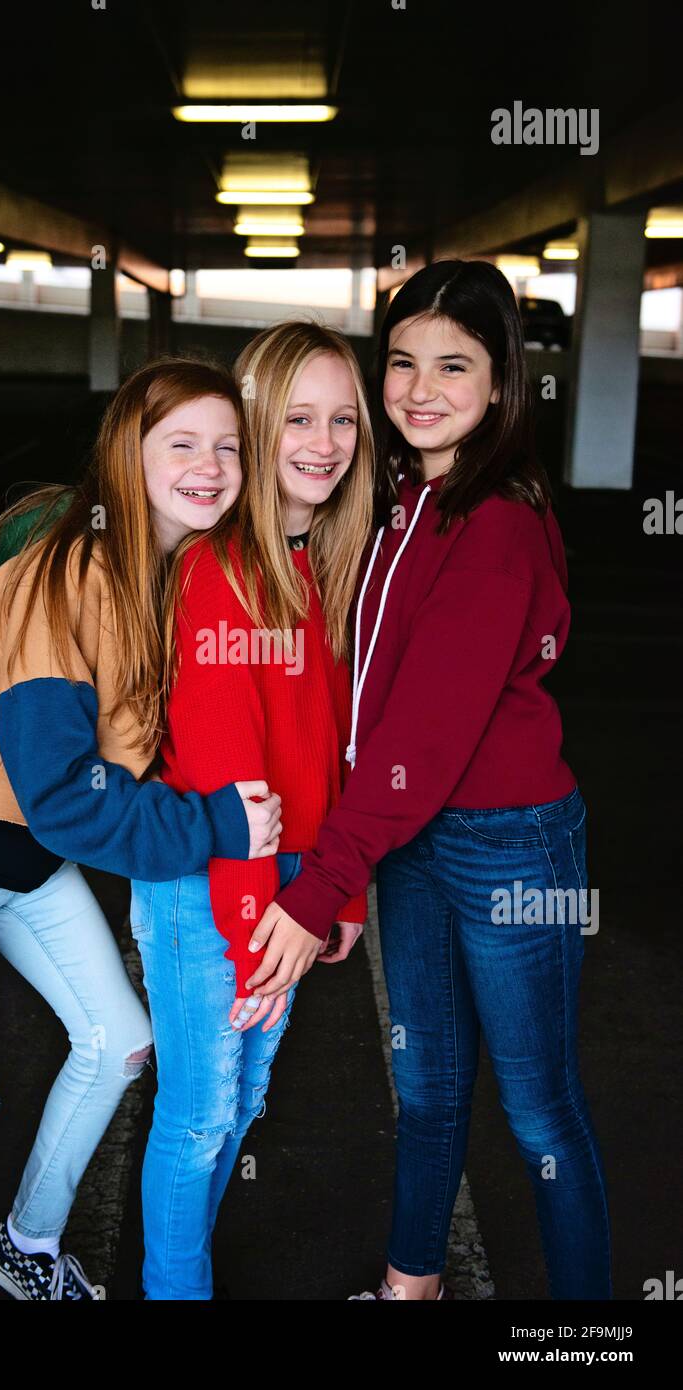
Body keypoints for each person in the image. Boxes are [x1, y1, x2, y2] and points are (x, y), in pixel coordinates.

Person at [0, 359, 282, 1300]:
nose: (209, 465)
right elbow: (66, 796)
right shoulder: (71, 571)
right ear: (128, 458)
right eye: (181, 444)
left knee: (118, 1041)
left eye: (227, 447)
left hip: (21, 857)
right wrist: (216, 826)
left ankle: (27, 1244)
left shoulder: (171, 571)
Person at [248, 261, 612, 1302]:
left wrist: (322, 884)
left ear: (500, 384)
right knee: (429, 1086)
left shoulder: (491, 523)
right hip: (411, 838)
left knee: (541, 1109)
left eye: (454, 364)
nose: (419, 387)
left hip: (507, 843)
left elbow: (425, 731)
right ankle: (413, 1289)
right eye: (402, 361)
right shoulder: (407, 497)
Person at [129, 321, 373, 1299]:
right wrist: (255, 934)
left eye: (344, 419)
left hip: (294, 889)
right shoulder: (215, 570)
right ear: (259, 425)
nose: (324, 441)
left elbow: (329, 751)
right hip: (215, 888)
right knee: (198, 1111)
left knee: (243, 1099)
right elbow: (234, 782)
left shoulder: (323, 561)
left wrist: (336, 893)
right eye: (299, 418)